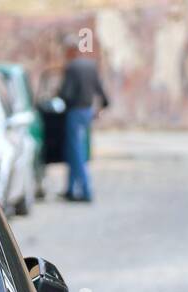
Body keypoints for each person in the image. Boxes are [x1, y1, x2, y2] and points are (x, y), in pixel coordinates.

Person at [57, 38, 109, 203]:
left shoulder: (72, 67)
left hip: (75, 112)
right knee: (74, 150)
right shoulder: (90, 66)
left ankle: (86, 190)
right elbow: (101, 92)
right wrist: (99, 109)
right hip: (87, 111)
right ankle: (71, 189)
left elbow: (66, 94)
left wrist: (59, 96)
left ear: (71, 51)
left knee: (77, 152)